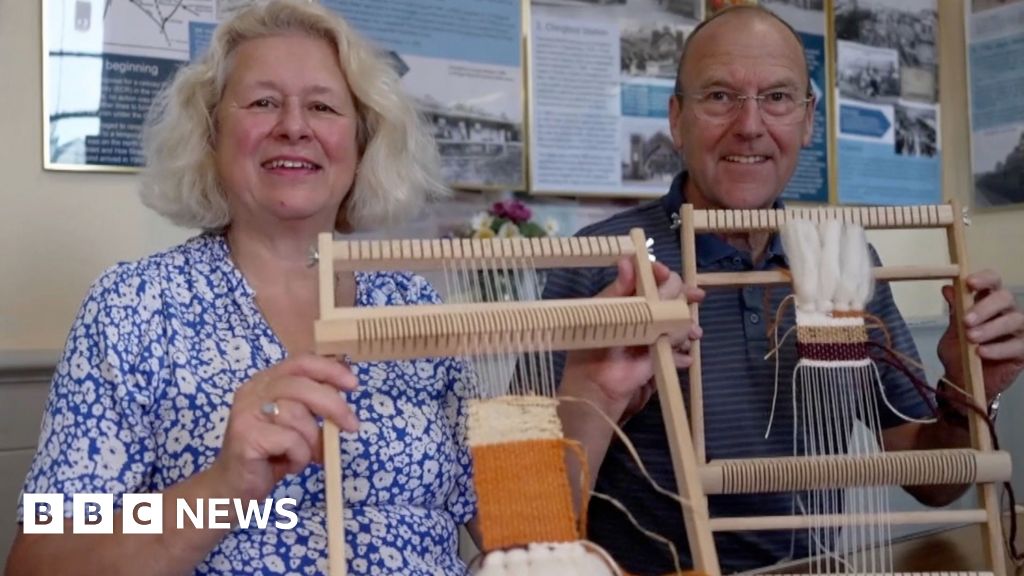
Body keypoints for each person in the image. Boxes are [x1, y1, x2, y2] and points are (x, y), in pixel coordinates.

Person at [547, 6, 1024, 575]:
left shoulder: (844, 261)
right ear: (677, 120)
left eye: (776, 97)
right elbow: (535, 510)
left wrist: (965, 386)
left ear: (807, 120)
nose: (750, 125)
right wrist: (600, 397)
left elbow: (933, 484)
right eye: (720, 96)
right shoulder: (599, 265)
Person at [5, 1, 477, 574]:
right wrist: (225, 486)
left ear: (362, 142)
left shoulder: (415, 309)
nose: (294, 126)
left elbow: (516, 528)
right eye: (263, 102)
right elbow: (42, 557)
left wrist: (594, 388)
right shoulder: (136, 306)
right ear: (211, 133)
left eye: (323, 106)